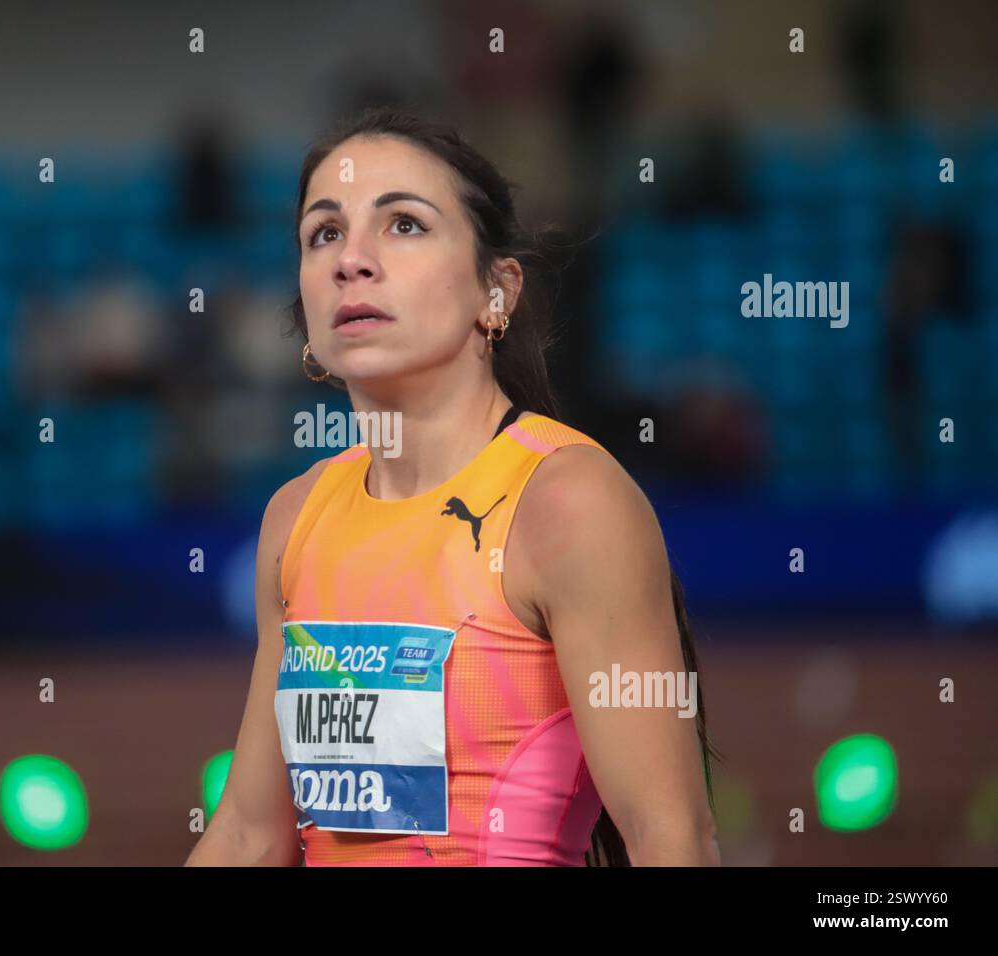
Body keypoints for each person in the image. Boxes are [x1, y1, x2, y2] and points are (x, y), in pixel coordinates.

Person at [186, 107, 719, 866]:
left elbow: (672, 838)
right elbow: (249, 834)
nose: (352, 259)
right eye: (323, 233)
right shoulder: (295, 518)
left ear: (495, 293)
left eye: (403, 224)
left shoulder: (566, 503)